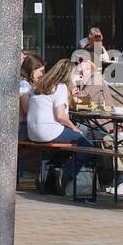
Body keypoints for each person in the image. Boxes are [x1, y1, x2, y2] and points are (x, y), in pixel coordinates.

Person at [27, 59, 93, 192]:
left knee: (68, 146)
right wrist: (73, 128)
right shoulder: (60, 87)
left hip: (32, 132)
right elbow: (60, 116)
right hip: (48, 131)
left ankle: (52, 170)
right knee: (87, 146)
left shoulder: (40, 85)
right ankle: (65, 174)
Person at [18, 54, 44, 141]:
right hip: (24, 128)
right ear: (32, 70)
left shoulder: (28, 84)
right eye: (40, 71)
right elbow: (26, 108)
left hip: (29, 125)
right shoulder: (23, 84)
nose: (42, 75)